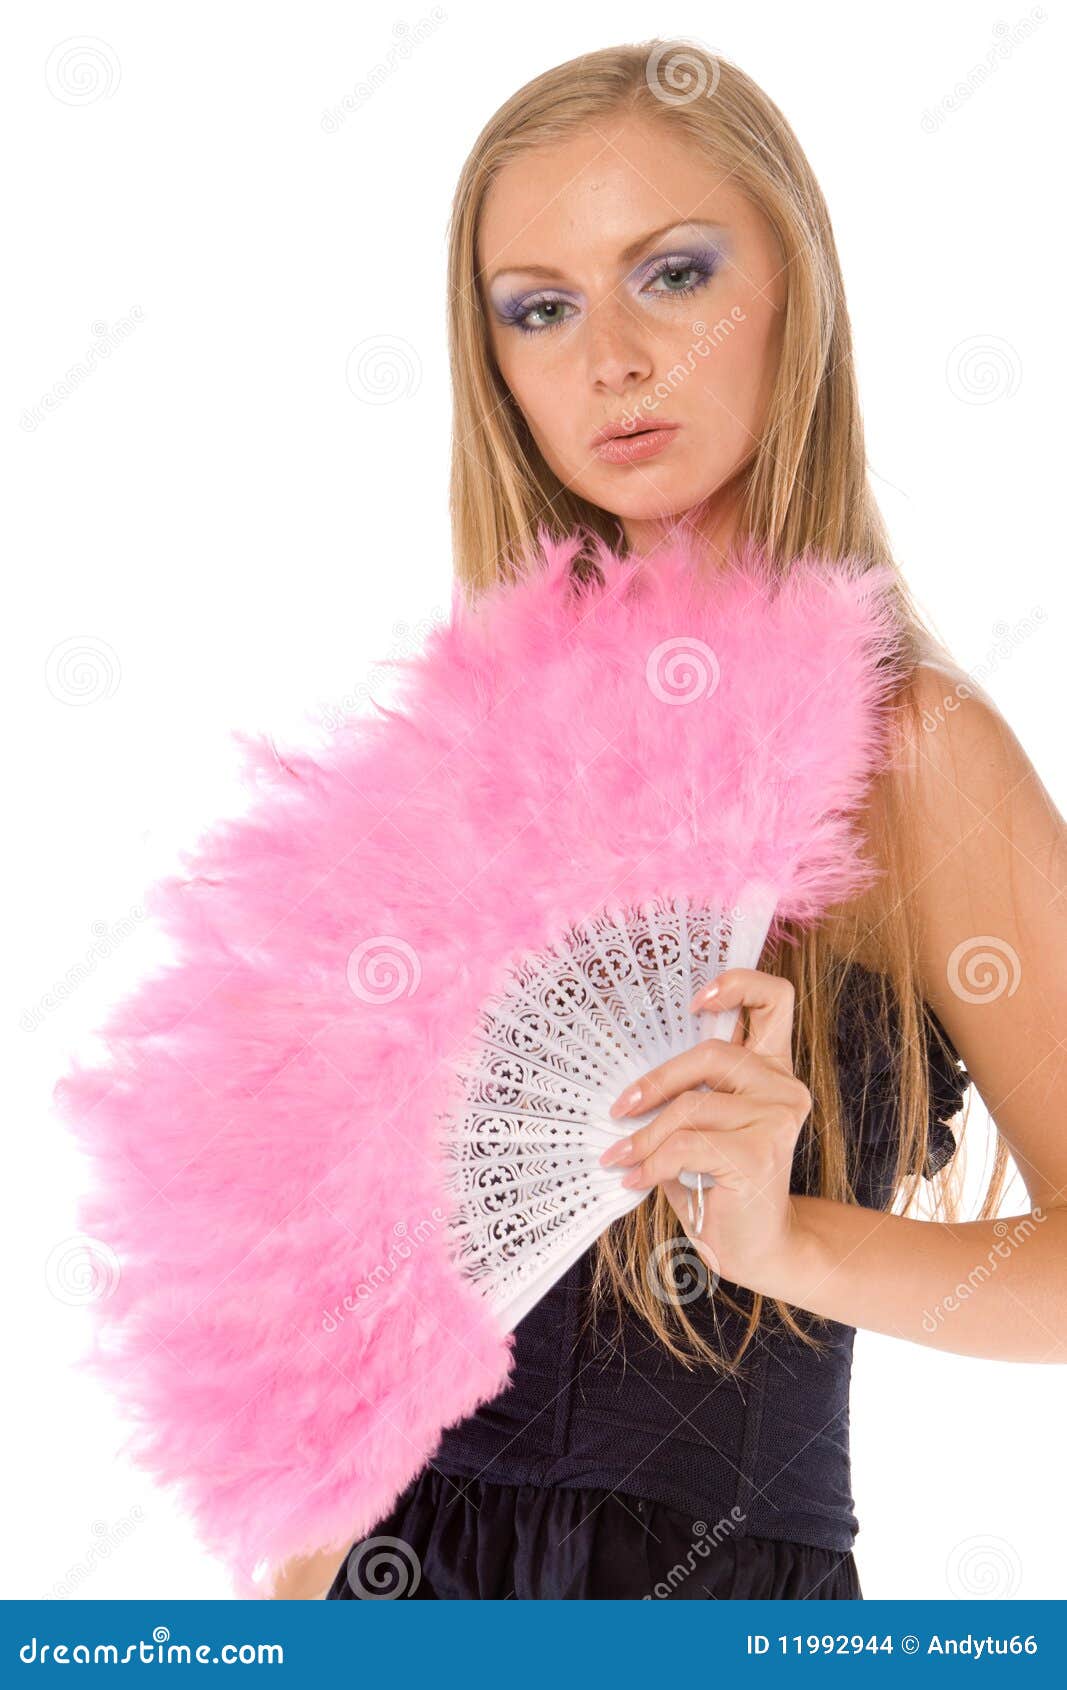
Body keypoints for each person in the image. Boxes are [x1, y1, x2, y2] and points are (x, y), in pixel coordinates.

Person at [277, 38, 1067, 1600]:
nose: (612, 358)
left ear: (800, 292)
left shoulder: (907, 752)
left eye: (677, 275)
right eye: (542, 307)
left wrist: (791, 1245)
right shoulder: (473, 755)